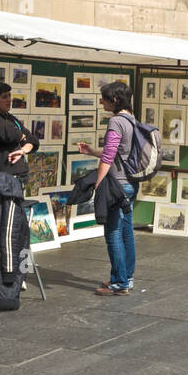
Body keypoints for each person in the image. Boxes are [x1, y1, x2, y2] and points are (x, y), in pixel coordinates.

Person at [79, 81, 138, 296]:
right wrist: (91, 151)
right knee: (126, 231)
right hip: (130, 184)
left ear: (114, 100)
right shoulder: (132, 119)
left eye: (103, 98)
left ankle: (119, 284)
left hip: (116, 184)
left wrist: (98, 182)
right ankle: (126, 278)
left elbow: (110, 155)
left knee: (113, 231)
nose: (101, 101)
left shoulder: (115, 121)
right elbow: (119, 151)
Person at [0, 80, 41, 178]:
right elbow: (11, 134)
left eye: (9, 95)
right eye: (4, 97)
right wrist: (22, 137)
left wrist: (22, 150)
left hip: (16, 177)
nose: (9, 100)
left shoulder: (10, 118)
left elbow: (33, 140)